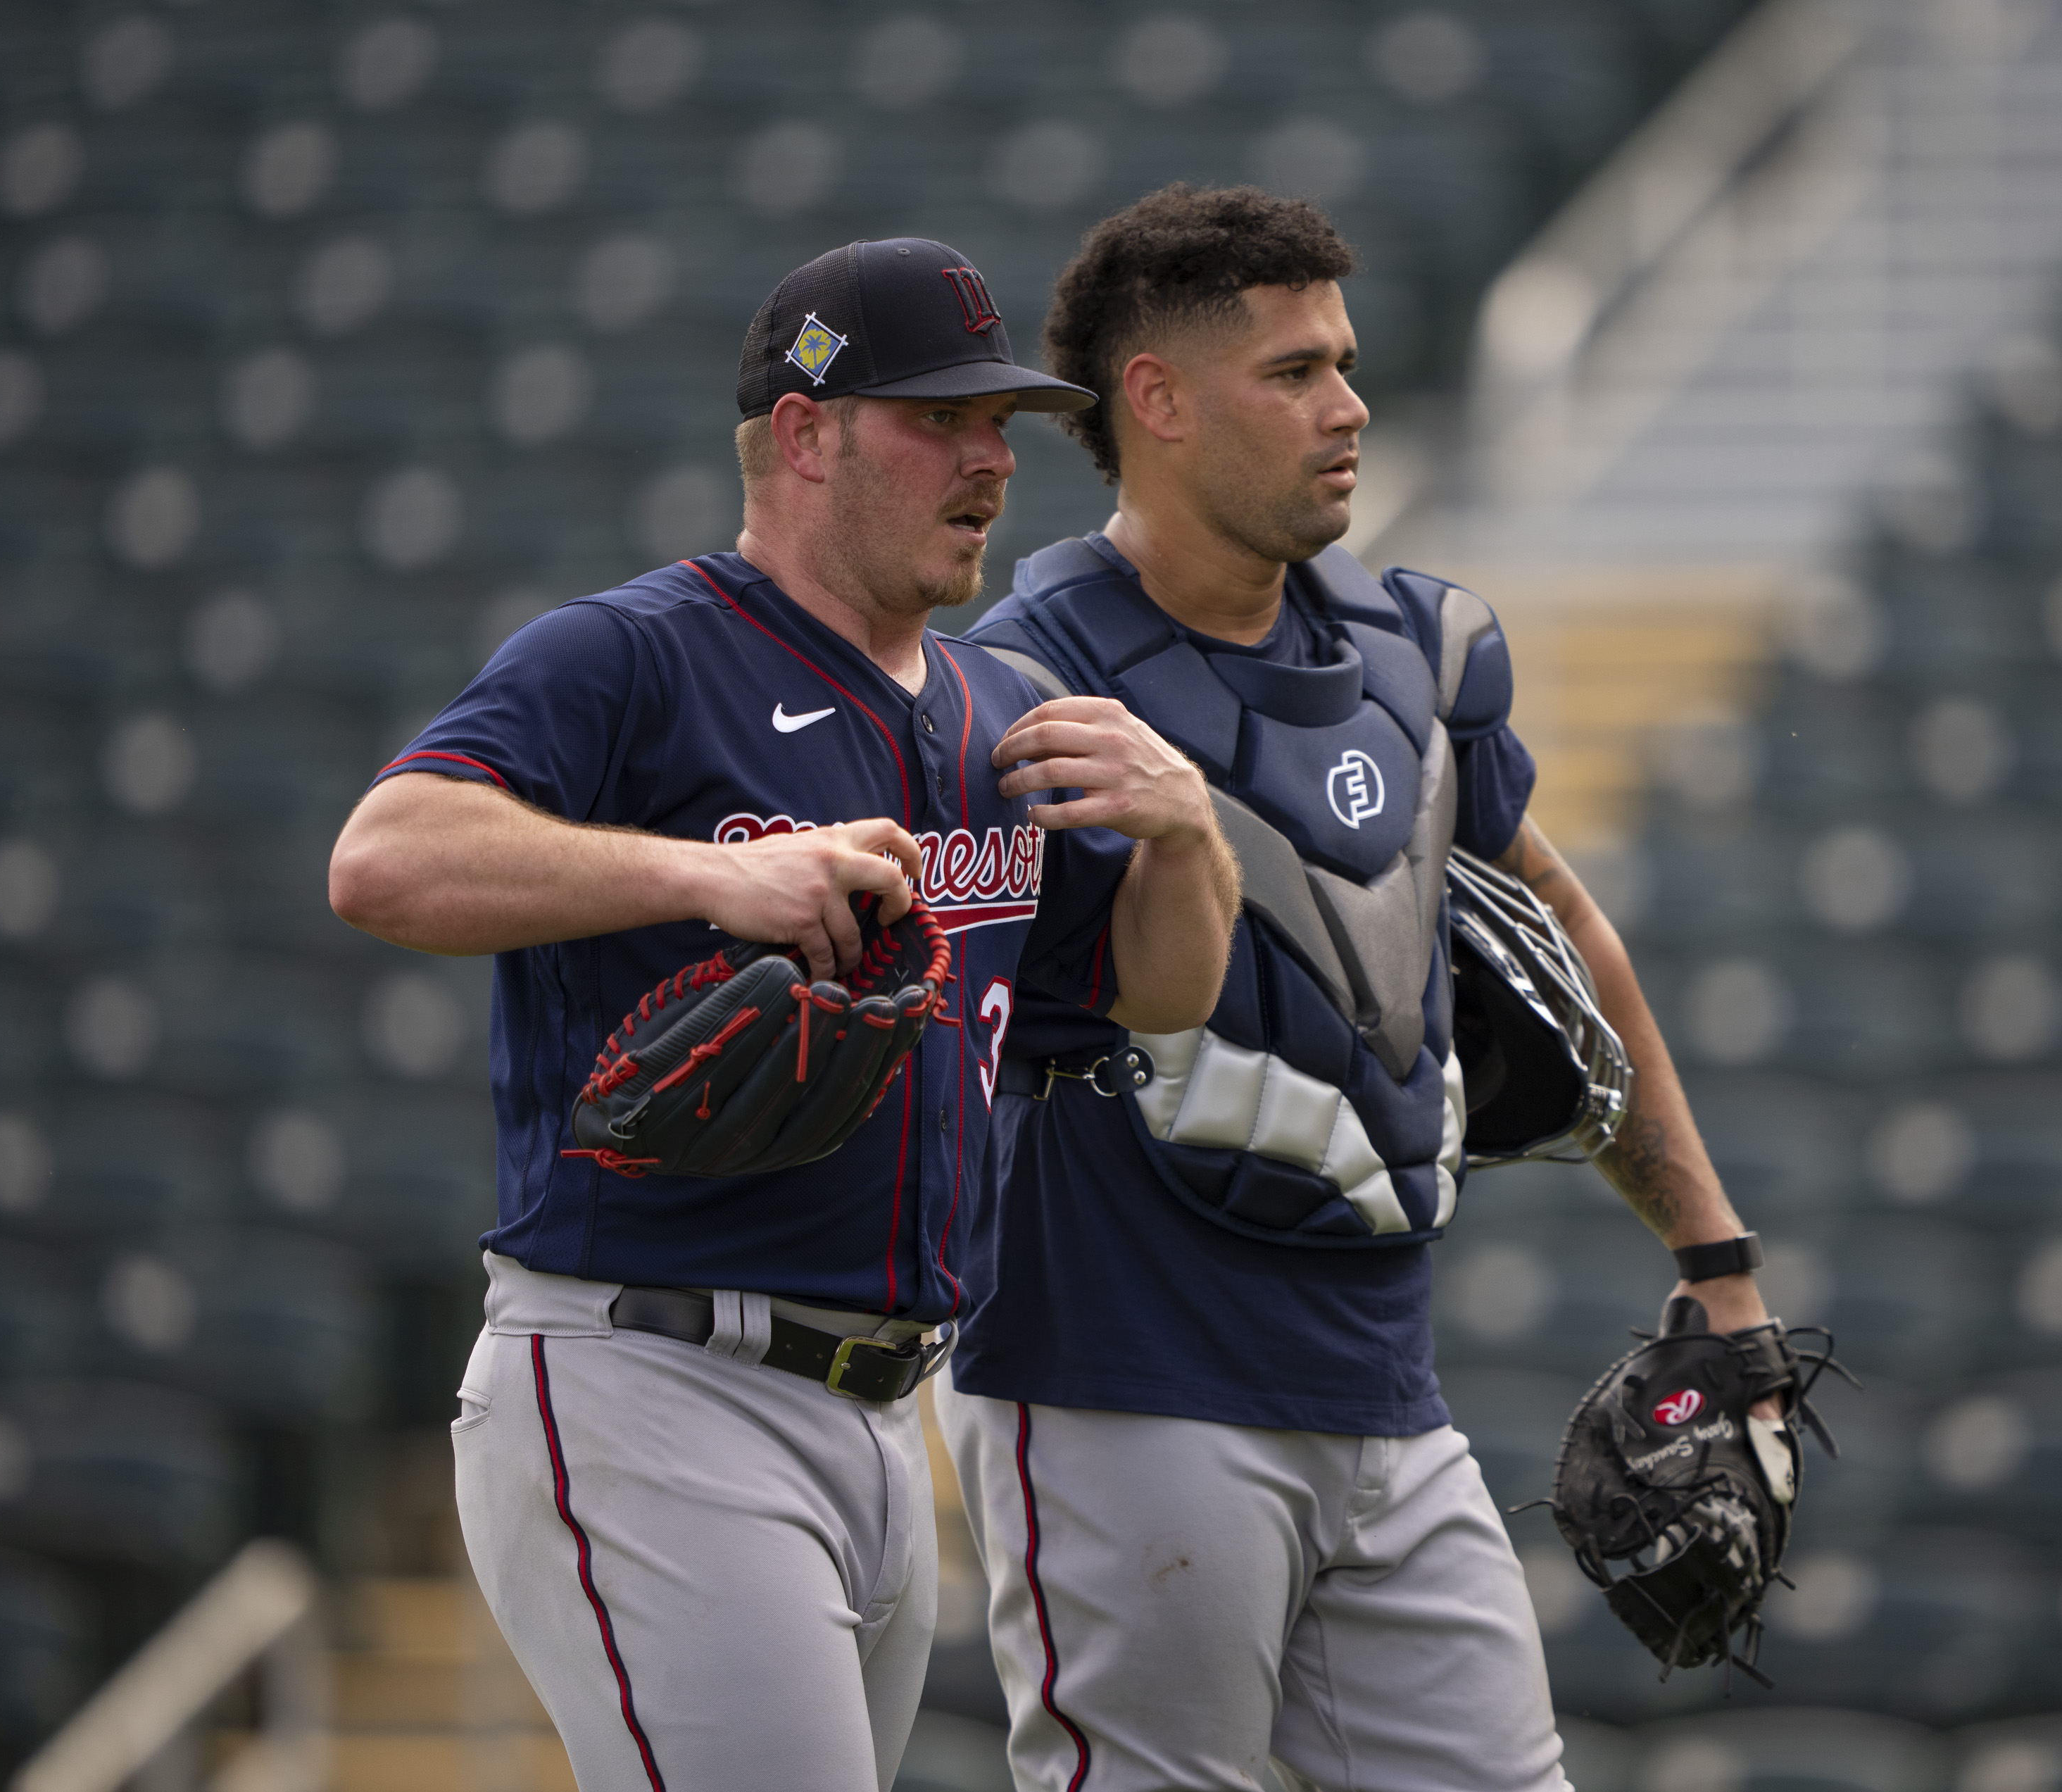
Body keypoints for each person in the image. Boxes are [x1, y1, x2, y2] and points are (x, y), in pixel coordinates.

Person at [325, 237, 1238, 1792]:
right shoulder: (635, 654)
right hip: (653, 1379)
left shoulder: (1001, 711)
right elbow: (383, 858)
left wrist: (1189, 830)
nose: (988, 460)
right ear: (804, 434)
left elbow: (1160, 990)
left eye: (999, 424)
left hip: (893, 1415)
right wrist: (710, 876)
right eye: (935, 420)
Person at [937, 186, 1782, 1792]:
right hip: (1126, 1402)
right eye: (1296, 372)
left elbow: (1566, 935)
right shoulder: (1021, 686)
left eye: (1348, 361)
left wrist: (1716, 1259)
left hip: (1391, 1403)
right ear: (1160, 402)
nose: (1352, 406)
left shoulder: (1420, 653)